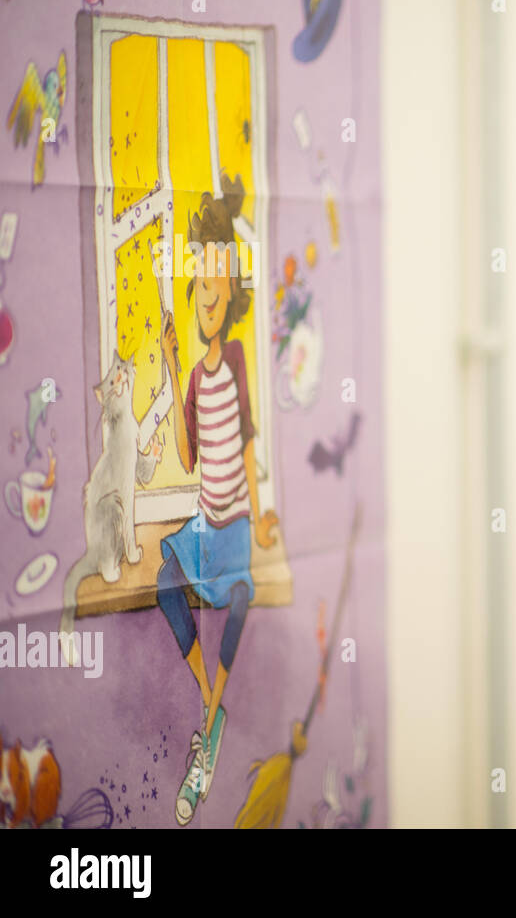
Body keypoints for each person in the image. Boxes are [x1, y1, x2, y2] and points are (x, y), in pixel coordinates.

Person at [157, 174, 280, 826]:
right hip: (204, 522)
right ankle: (211, 703)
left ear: (230, 295)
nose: (208, 297)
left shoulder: (233, 358)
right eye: (200, 286)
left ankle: (205, 739)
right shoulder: (201, 375)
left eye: (217, 288)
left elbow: (251, 442)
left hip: (234, 524)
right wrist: (175, 366)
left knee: (241, 598)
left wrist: (259, 518)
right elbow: (185, 455)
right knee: (164, 580)